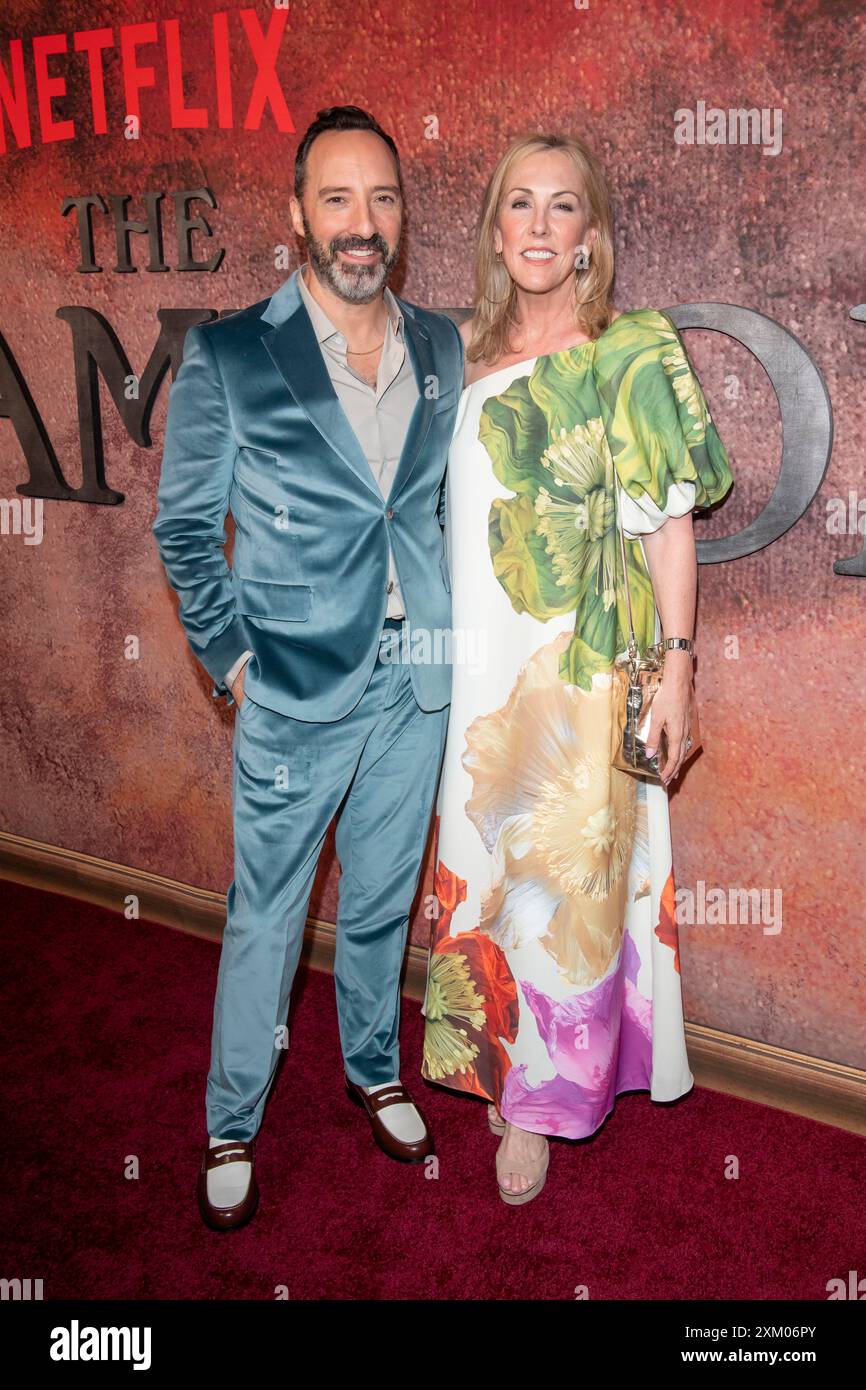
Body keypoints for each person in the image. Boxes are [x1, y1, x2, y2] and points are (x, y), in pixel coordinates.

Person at [153, 105, 463, 1230]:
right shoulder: (232, 352)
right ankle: (232, 1115)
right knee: (268, 912)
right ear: (297, 213)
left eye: (381, 197)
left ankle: (372, 1064)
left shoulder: (441, 344)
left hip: (415, 679)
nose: (361, 221)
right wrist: (232, 661)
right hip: (289, 683)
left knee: (381, 895)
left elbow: (431, 510)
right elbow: (186, 528)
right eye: (337, 197)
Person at [421, 132, 734, 1204]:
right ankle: (502, 1075)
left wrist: (679, 676)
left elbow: (671, 532)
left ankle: (539, 1109)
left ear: (590, 235)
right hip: (473, 683)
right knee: (486, 875)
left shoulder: (628, 351)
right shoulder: (455, 356)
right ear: (494, 227)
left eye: (563, 207)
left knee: (570, 894)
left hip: (586, 674)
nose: (540, 227)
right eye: (521, 204)